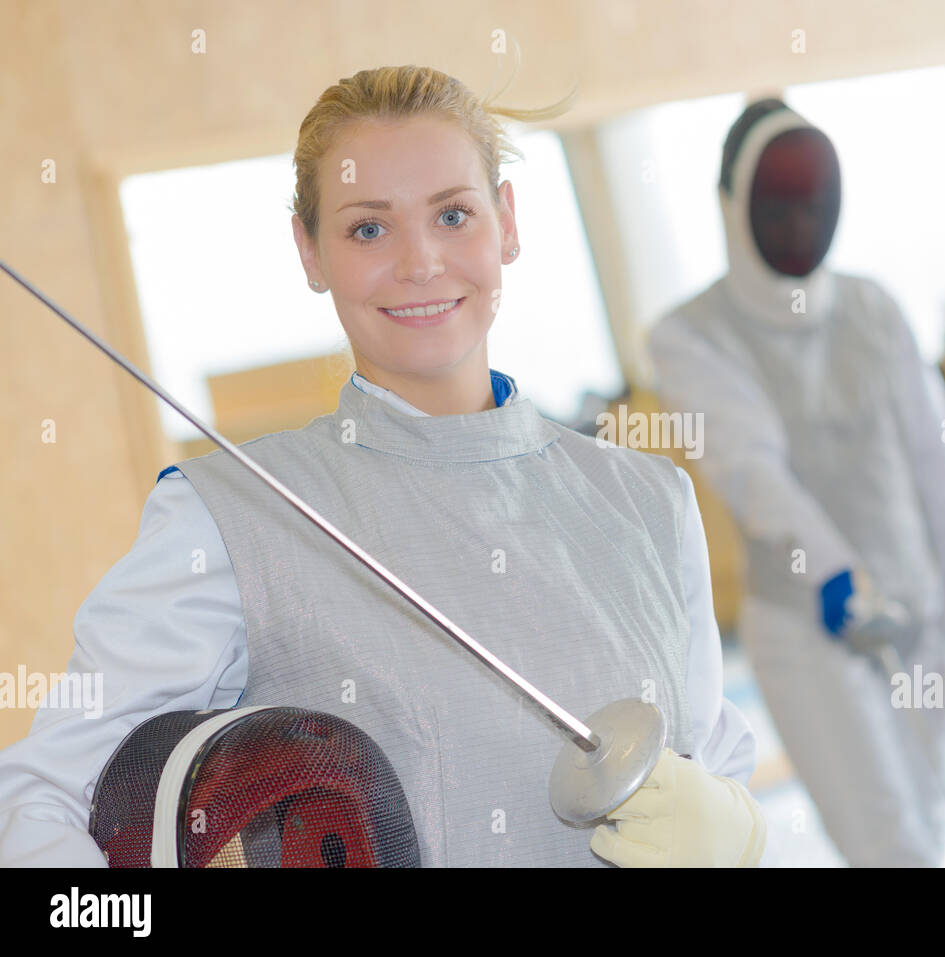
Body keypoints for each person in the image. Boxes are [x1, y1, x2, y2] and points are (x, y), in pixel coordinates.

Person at [0, 65, 764, 868]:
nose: (421, 261)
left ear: (505, 222)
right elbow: (41, 794)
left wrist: (745, 834)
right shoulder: (232, 513)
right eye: (369, 228)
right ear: (310, 250)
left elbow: (713, 766)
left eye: (453, 214)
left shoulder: (649, 501)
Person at [648, 98, 945, 866]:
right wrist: (836, 565)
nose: (801, 222)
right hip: (812, 625)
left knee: (929, 829)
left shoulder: (872, 306)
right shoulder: (689, 332)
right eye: (781, 204)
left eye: (815, 202)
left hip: (920, 612)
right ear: (734, 206)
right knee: (888, 843)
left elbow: (937, 461)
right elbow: (750, 466)